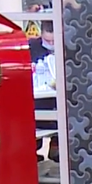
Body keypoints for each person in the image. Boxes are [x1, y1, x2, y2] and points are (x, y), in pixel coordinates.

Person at [29, 20, 58, 162]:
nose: (51, 44)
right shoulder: (31, 47)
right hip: (37, 99)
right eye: (48, 40)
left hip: (57, 100)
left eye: (54, 41)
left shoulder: (66, 46)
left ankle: (56, 147)